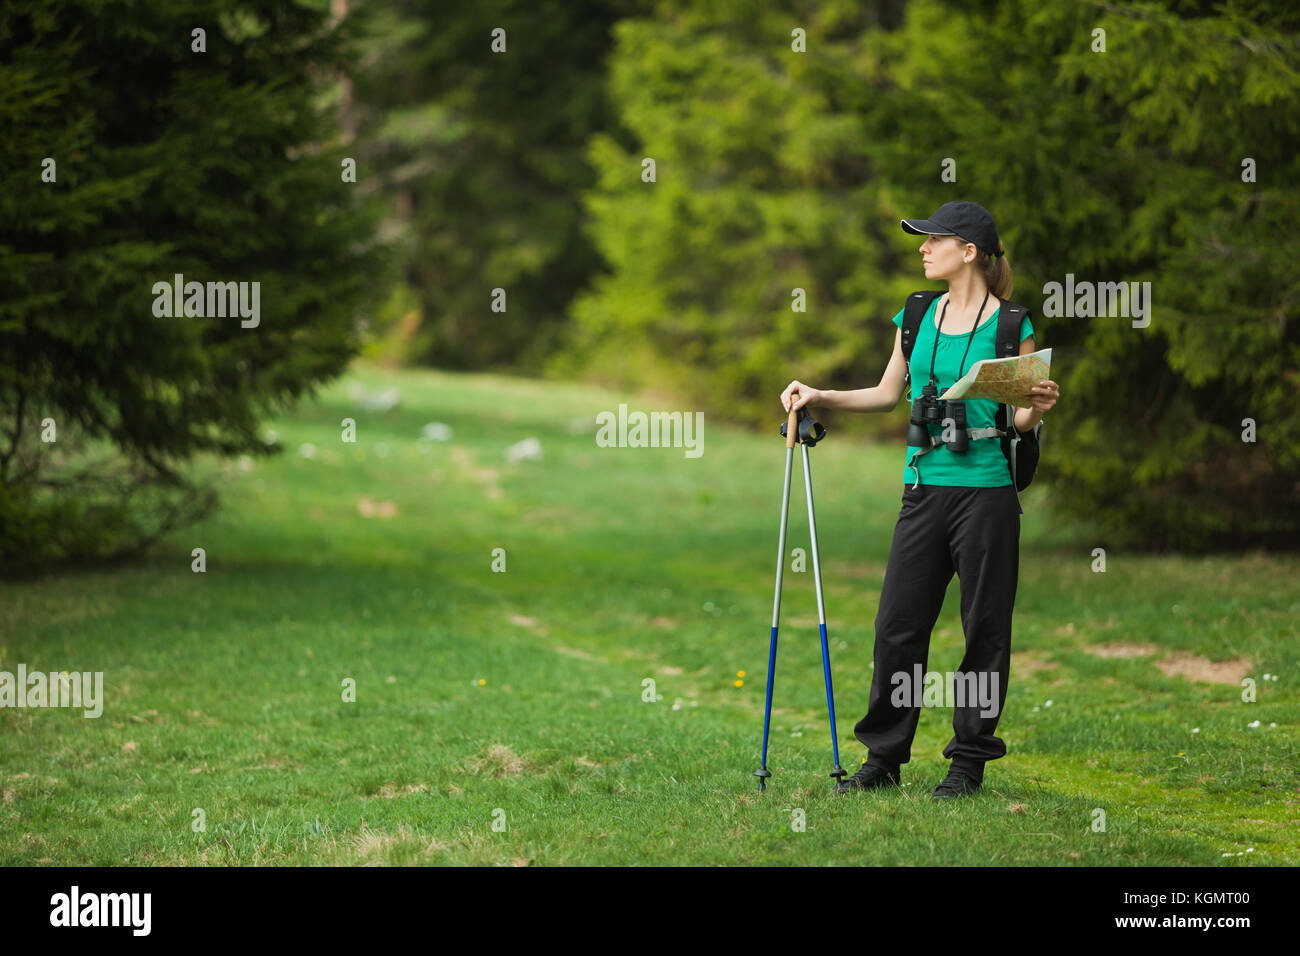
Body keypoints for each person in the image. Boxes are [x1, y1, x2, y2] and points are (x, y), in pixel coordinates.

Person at [779, 201, 1059, 799]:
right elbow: (886, 395)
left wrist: (1039, 407)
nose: (923, 249)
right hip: (923, 489)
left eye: (935, 240)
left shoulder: (1011, 325)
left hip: (986, 494)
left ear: (970, 253)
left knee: (984, 630)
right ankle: (883, 759)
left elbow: (1020, 418)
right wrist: (818, 393)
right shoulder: (916, 313)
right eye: (923, 240)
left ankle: (968, 764)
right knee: (896, 627)